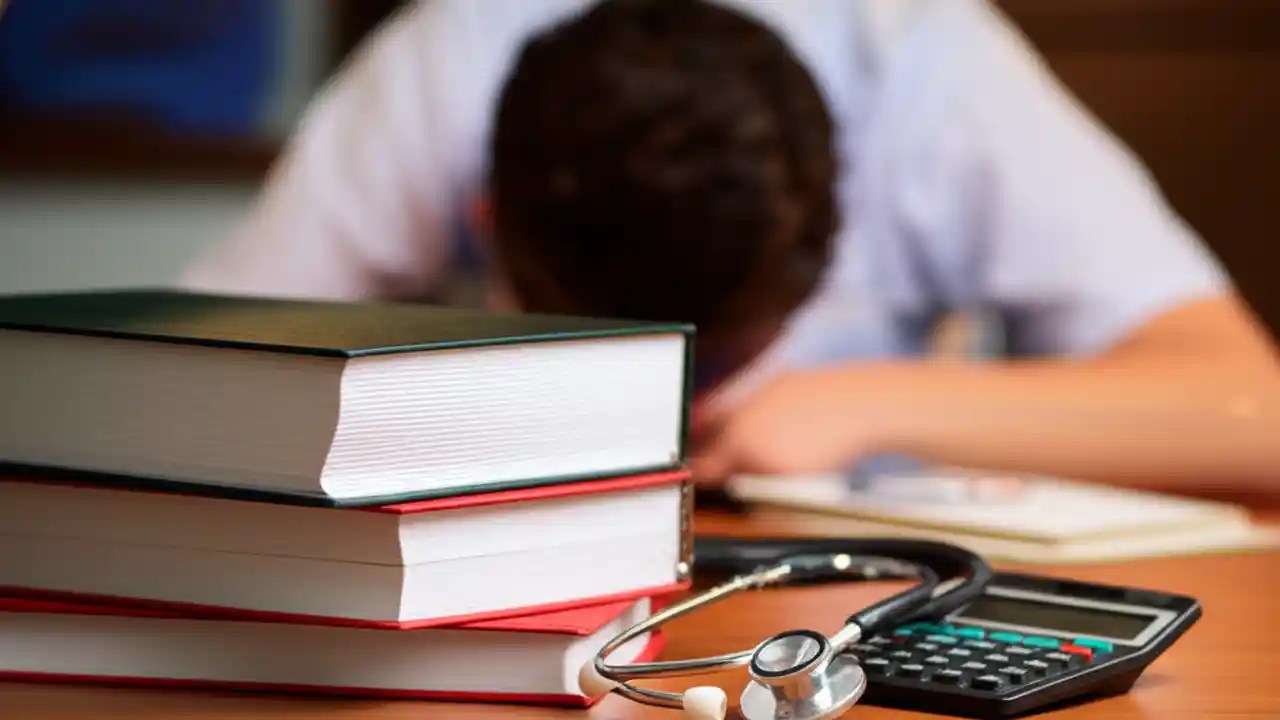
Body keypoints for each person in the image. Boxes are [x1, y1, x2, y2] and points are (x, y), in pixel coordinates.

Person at [182, 0, 1280, 490]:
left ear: (832, 234)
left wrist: (857, 402)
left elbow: (1252, 415)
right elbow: (183, 388)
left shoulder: (921, 63)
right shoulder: (448, 62)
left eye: (712, 369)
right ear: (483, 221)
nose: (676, 407)